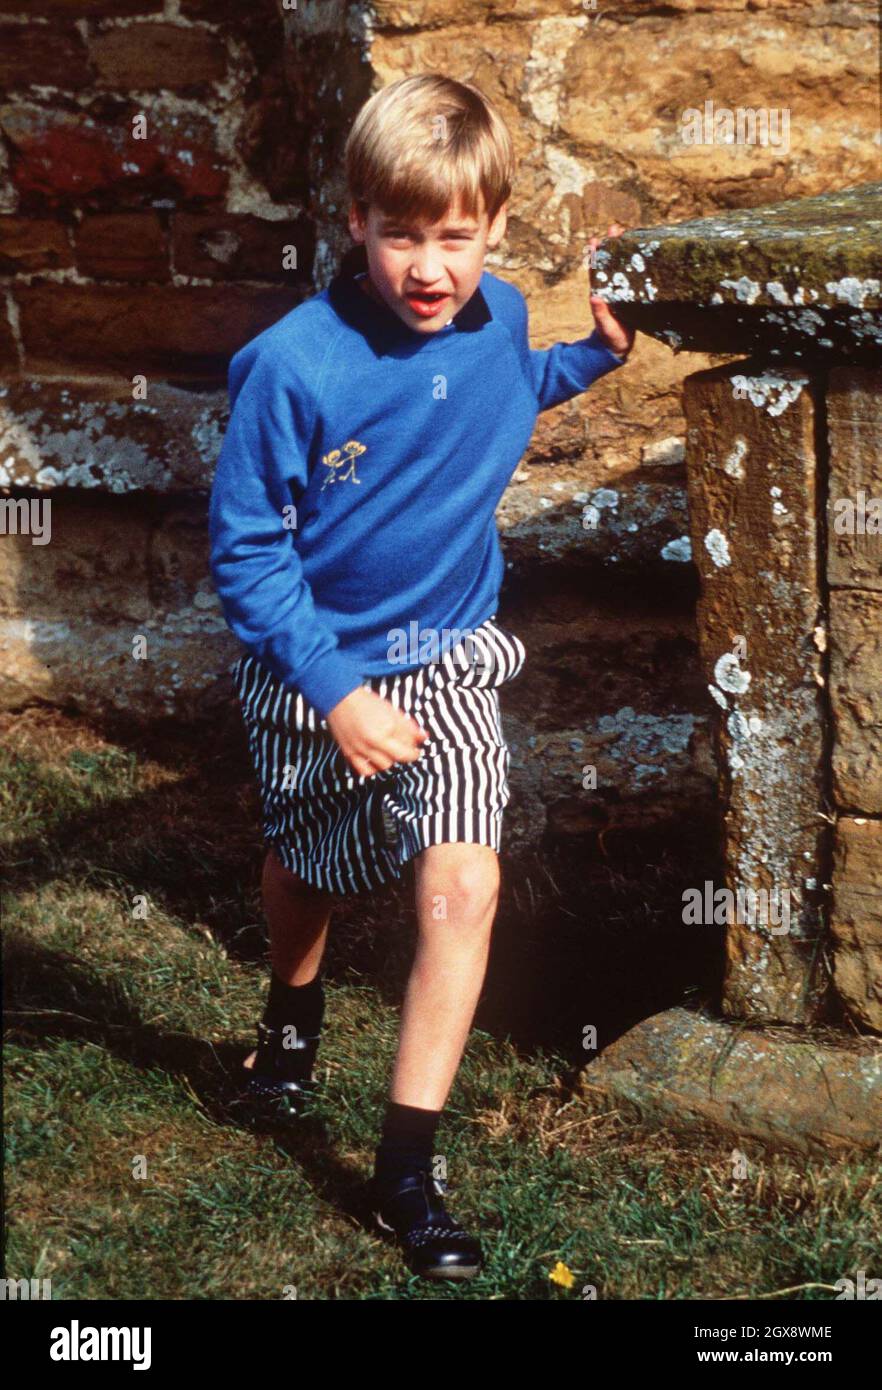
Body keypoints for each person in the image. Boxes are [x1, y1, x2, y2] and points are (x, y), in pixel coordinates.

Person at [208, 72, 634, 1282]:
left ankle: (406, 1171)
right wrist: (334, 691)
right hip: (315, 674)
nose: (430, 267)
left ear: (497, 227)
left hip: (451, 658)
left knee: (462, 884)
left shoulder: (498, 317)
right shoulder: (291, 368)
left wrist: (590, 361)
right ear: (354, 220)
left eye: (456, 235)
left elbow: (509, 389)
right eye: (402, 234)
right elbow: (244, 552)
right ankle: (290, 1026)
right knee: (312, 873)